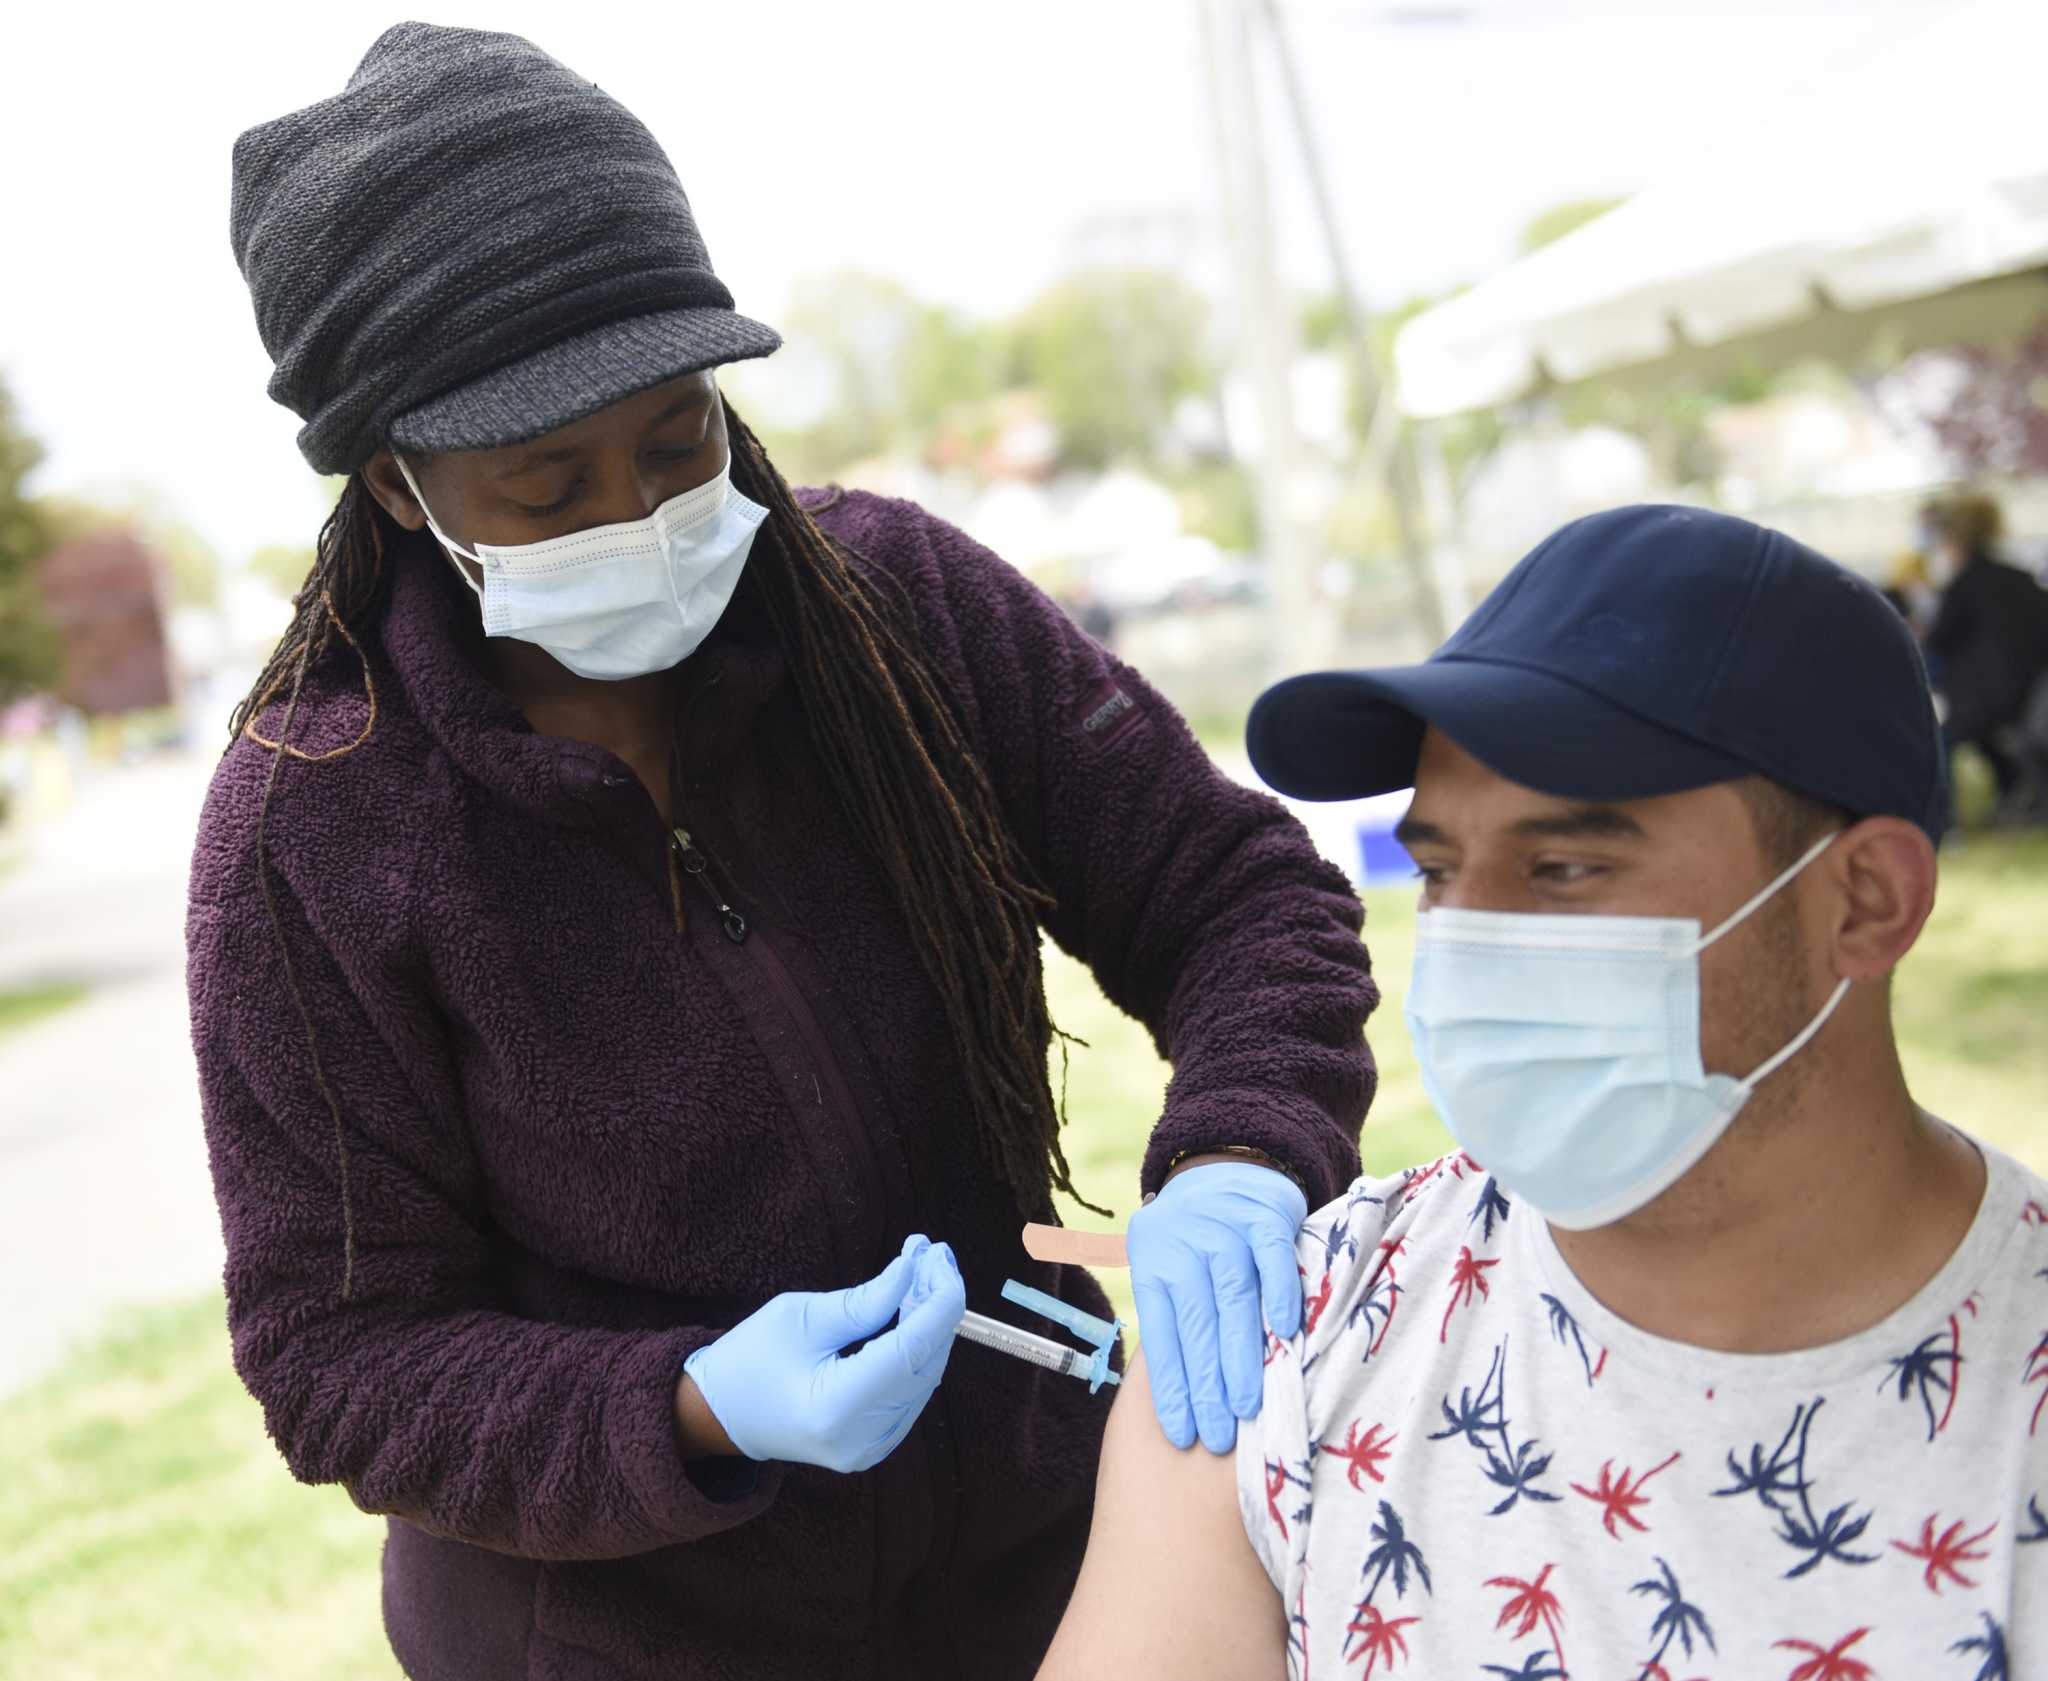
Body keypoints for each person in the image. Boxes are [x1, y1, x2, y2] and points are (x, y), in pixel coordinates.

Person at [190, 23, 1376, 1681]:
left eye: (678, 439)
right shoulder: (314, 825)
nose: (641, 517)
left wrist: (1243, 1146)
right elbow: (337, 1350)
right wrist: (684, 1408)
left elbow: (1237, 897)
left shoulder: (900, 618)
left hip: (1047, 1571)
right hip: (622, 1643)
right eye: (546, 487)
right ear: (395, 484)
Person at [1037, 505, 2048, 1679]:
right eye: (1438, 871)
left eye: (1563, 868)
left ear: (1865, 899)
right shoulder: (1298, 1339)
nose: (1468, 946)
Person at [1919, 490, 2048, 822]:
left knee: (1938, 737)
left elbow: (1934, 643)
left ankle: (1942, 822)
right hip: (2029, 696)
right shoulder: (2021, 579)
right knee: (1990, 739)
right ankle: (2016, 795)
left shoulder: (1962, 585)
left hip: (1983, 701)